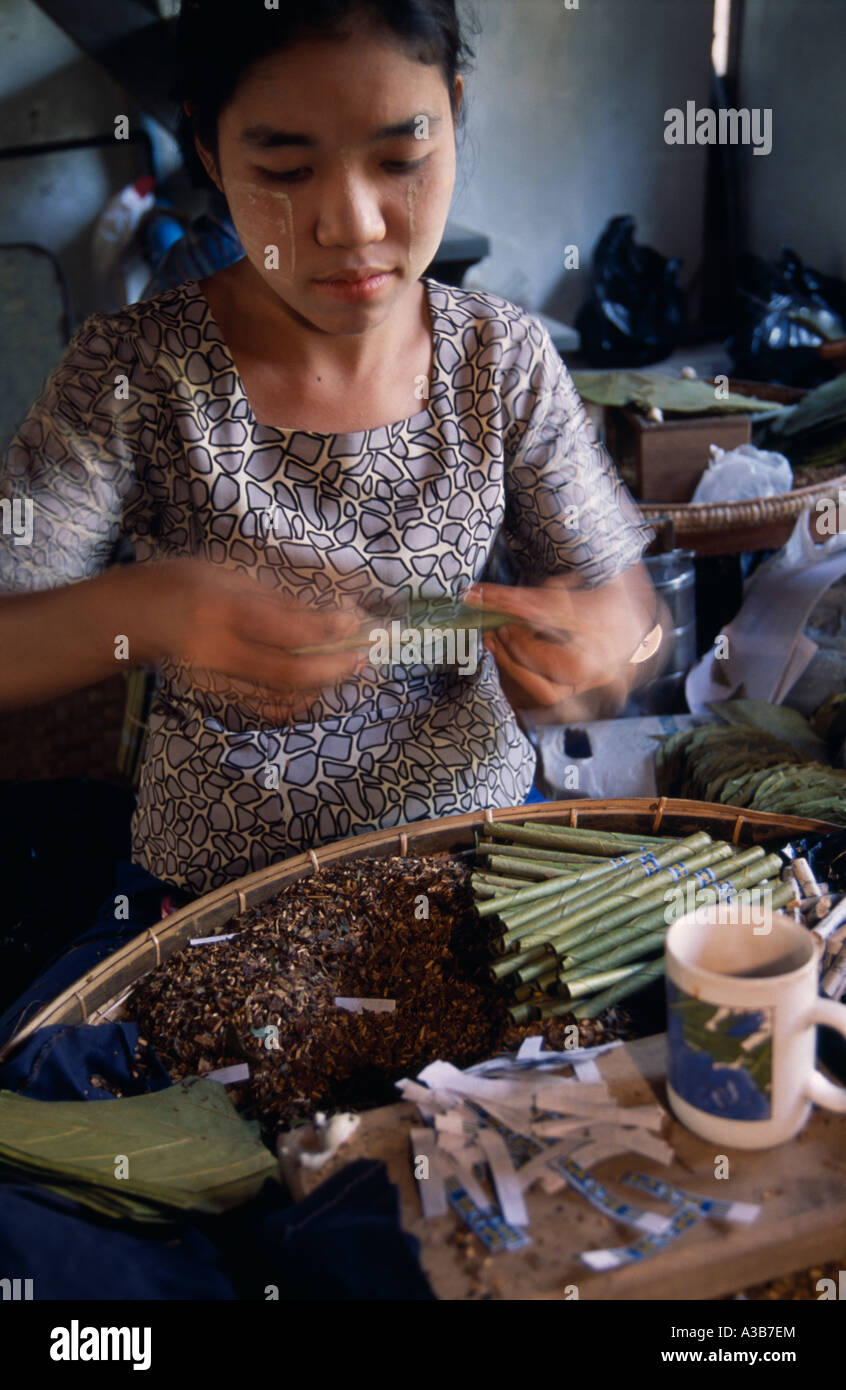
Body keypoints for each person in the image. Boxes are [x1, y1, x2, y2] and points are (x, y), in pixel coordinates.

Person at [0, 0, 662, 900]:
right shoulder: (134, 373)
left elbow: (629, 617)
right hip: (225, 896)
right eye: (284, 168)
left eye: (401, 160)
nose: (352, 225)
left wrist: (600, 665)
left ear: (455, 116)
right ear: (208, 150)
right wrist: (154, 608)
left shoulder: (501, 359)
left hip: (478, 865)